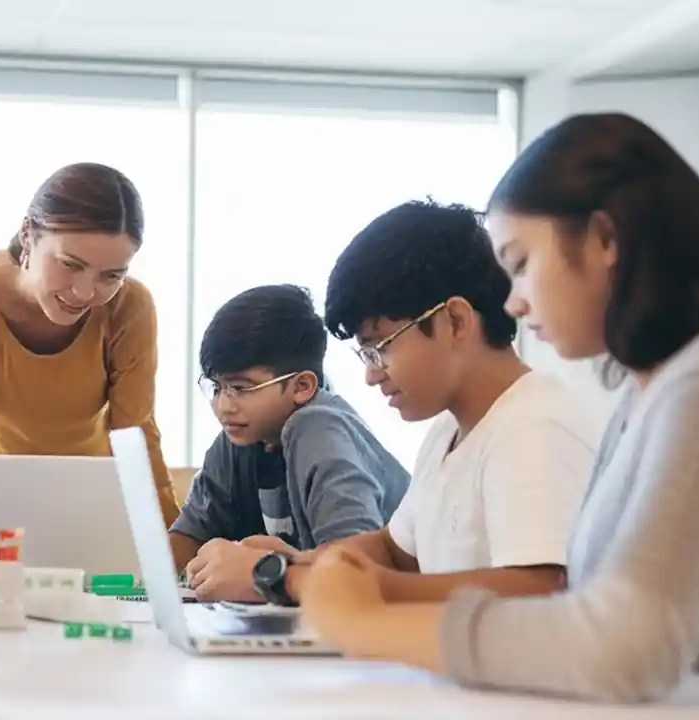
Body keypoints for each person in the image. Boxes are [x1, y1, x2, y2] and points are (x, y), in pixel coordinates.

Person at [298, 113, 699, 703]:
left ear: (605, 240)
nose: (515, 301)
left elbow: (624, 643)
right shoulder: (649, 396)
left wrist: (368, 624)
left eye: (522, 263)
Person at [253, 200, 598, 607]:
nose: (371, 373)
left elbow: (540, 590)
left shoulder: (534, 427)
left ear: (455, 320)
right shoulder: (448, 433)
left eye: (379, 348)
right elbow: (395, 552)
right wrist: (300, 567)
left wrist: (336, 590)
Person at [0, 162, 178, 537]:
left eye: (111, 276)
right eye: (70, 265)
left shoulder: (130, 306)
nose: (84, 292)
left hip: (81, 515)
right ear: (28, 235)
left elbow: (135, 437)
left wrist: (171, 542)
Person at [169, 284, 409, 601]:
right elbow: (187, 540)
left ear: (302, 386)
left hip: (385, 620)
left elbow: (356, 568)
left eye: (241, 388)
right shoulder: (238, 436)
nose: (223, 405)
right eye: (217, 386)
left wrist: (266, 571)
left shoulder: (318, 428)